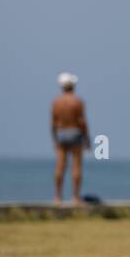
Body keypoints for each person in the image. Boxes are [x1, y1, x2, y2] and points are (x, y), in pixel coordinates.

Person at [51, 72, 89, 206]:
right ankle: (76, 197)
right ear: (72, 85)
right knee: (76, 166)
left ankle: (57, 197)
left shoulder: (57, 102)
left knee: (60, 166)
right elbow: (82, 122)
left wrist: (55, 139)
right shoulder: (77, 101)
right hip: (75, 132)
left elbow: (53, 123)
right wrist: (87, 139)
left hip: (61, 133)